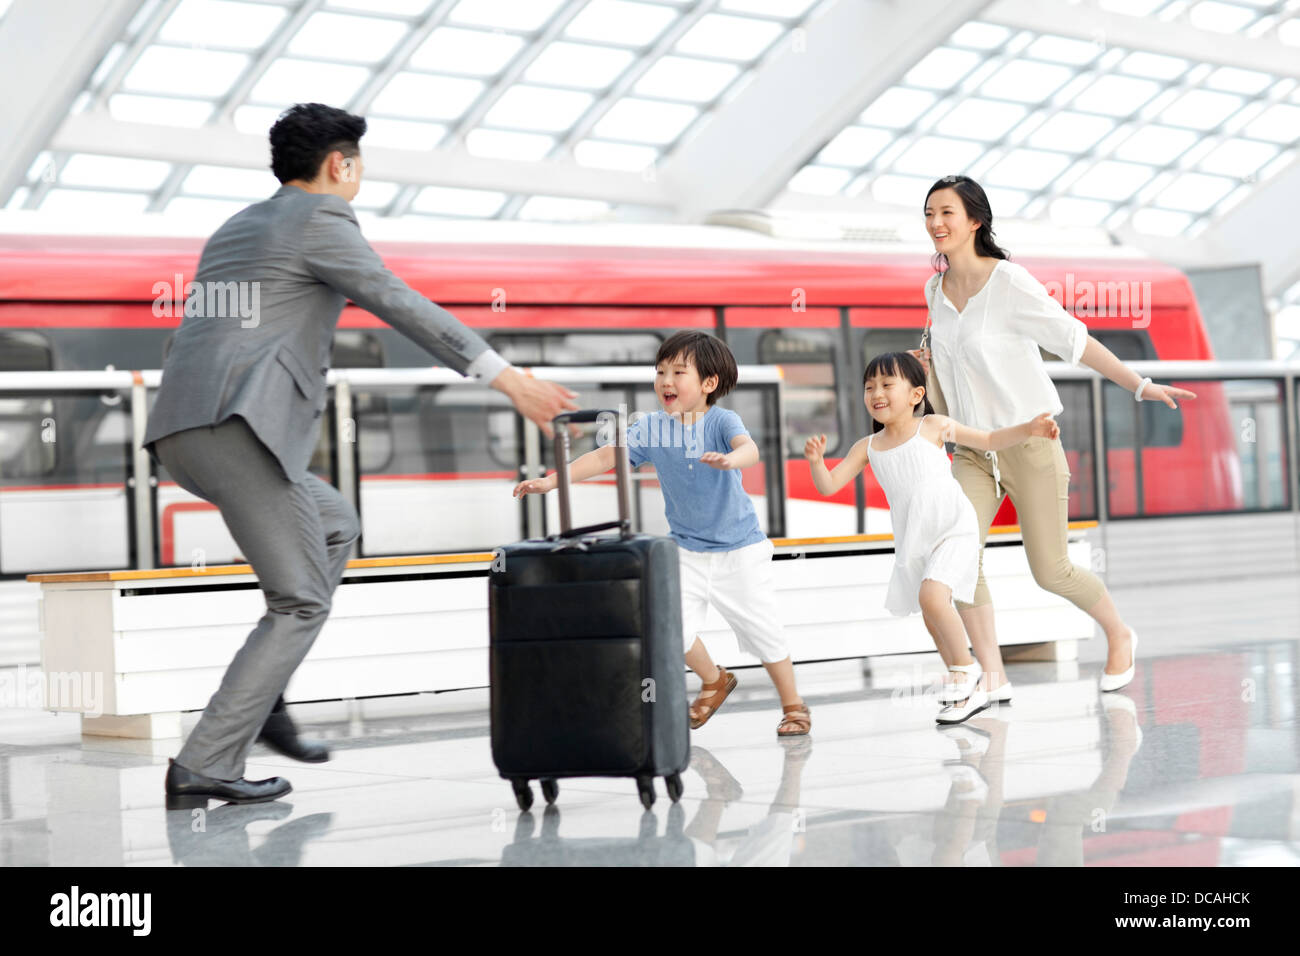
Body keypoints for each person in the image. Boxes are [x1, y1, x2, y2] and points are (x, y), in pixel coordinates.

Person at [146, 102, 578, 808]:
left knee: (336, 521)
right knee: (301, 600)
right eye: (359, 164)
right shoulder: (321, 219)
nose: (360, 177)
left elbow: (226, 328)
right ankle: (205, 761)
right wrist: (506, 378)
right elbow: (395, 299)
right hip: (238, 429)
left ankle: (262, 698)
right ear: (339, 165)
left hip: (185, 430)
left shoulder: (237, 227)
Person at [909, 175, 1197, 695]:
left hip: (1031, 441)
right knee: (959, 561)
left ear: (975, 220)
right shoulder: (935, 289)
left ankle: (1118, 632)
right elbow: (949, 376)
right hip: (973, 449)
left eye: (946, 213)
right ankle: (992, 677)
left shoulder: (1011, 283)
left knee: (1052, 569)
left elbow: (1074, 341)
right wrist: (925, 376)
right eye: (929, 213)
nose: (935, 224)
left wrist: (1139, 384)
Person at [513, 330, 811, 737]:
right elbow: (606, 455)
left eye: (678, 372)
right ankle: (714, 680)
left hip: (740, 551)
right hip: (686, 550)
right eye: (660, 371)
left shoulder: (722, 421)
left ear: (708, 384)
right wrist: (552, 481)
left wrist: (729, 459)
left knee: (765, 633)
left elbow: (750, 449)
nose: (666, 381)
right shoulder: (651, 426)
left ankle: (793, 707)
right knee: (673, 627)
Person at [804, 352, 1058, 723]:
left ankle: (966, 671)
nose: (877, 392)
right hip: (915, 539)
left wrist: (1028, 429)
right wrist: (815, 462)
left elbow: (987, 438)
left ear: (915, 394)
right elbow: (828, 486)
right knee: (930, 610)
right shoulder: (868, 447)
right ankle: (966, 682)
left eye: (888, 384)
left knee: (932, 596)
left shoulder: (932, 427)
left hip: (953, 528)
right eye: (869, 386)